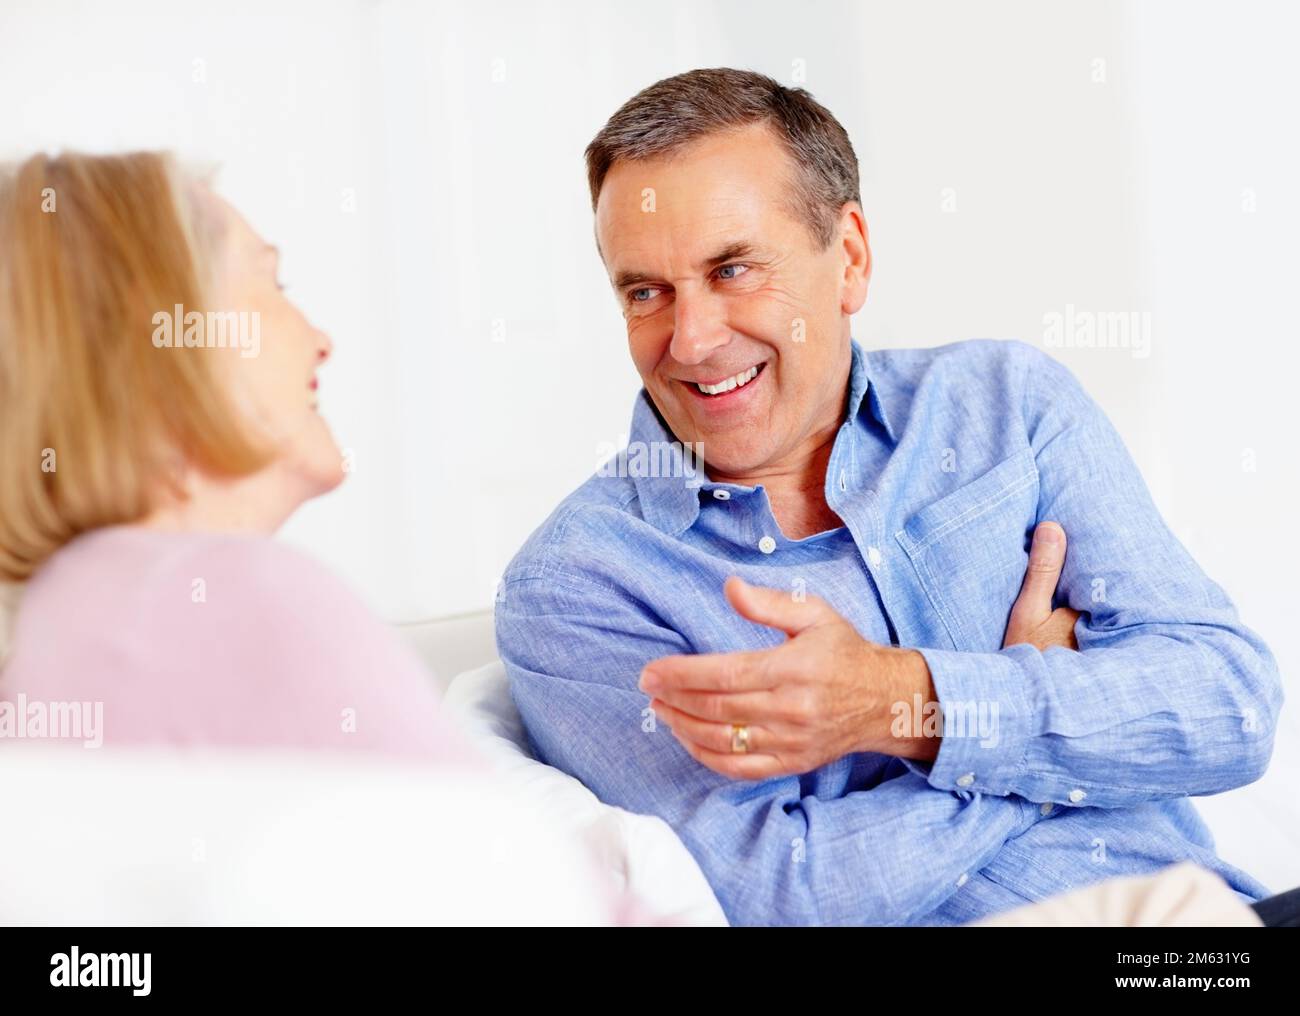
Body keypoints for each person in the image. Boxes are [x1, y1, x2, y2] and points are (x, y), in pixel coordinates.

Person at [495, 68, 1285, 926]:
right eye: (645, 291)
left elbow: (1229, 706)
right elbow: (774, 896)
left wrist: (906, 702)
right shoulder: (577, 585)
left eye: (733, 270)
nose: (690, 340)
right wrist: (1032, 711)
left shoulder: (1007, 407)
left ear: (852, 259)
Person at [0, 151, 474, 763]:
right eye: (272, 284)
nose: (321, 341)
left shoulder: (54, 626)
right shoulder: (247, 600)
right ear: (160, 341)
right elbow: (499, 857)